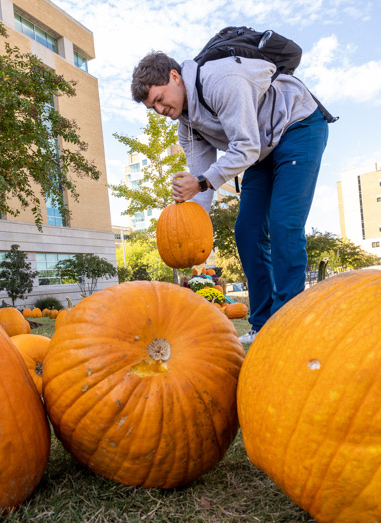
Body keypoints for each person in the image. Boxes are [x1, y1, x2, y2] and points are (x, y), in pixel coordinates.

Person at [131, 51, 329, 344]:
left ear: (174, 76)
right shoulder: (187, 125)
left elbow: (242, 150)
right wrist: (189, 235)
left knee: (283, 223)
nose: (160, 109)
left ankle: (290, 320)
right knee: (247, 231)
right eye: (153, 107)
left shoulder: (221, 80)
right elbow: (203, 183)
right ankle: (262, 323)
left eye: (160, 99)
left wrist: (199, 182)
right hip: (262, 149)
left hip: (297, 126)